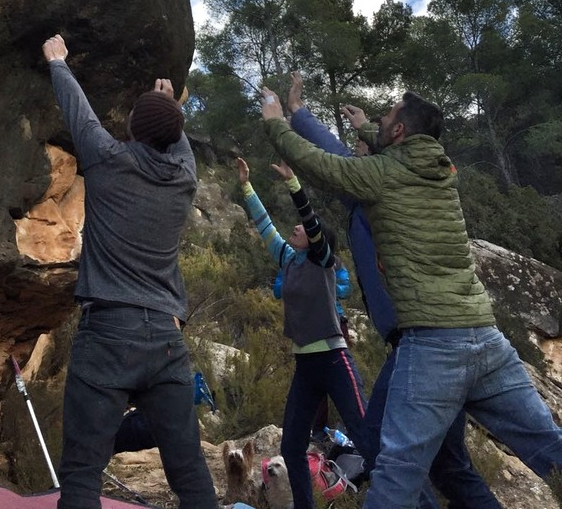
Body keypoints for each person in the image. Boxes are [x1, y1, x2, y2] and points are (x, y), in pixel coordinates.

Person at [260, 84, 562, 509]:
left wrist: (279, 121)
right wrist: (366, 128)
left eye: (386, 120)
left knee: (394, 474)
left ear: (399, 132)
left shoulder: (381, 177)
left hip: (432, 347)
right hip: (486, 338)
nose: (379, 123)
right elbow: (379, 144)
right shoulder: (441, 171)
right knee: (546, 450)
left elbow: (321, 163)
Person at [40, 33, 217, 509]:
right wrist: (166, 108)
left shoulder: (107, 160)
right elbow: (174, 140)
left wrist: (58, 62)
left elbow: (81, 114)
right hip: (165, 339)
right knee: (190, 472)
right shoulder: (183, 177)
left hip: (107, 335)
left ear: (134, 129)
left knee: (82, 473)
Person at [235, 154, 367, 509]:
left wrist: (294, 183)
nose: (294, 228)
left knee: (368, 436)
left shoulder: (321, 260)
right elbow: (264, 226)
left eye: (302, 228)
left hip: (334, 359)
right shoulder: (288, 259)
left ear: (315, 238)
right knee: (291, 447)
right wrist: (246, 185)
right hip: (305, 365)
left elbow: (309, 220)